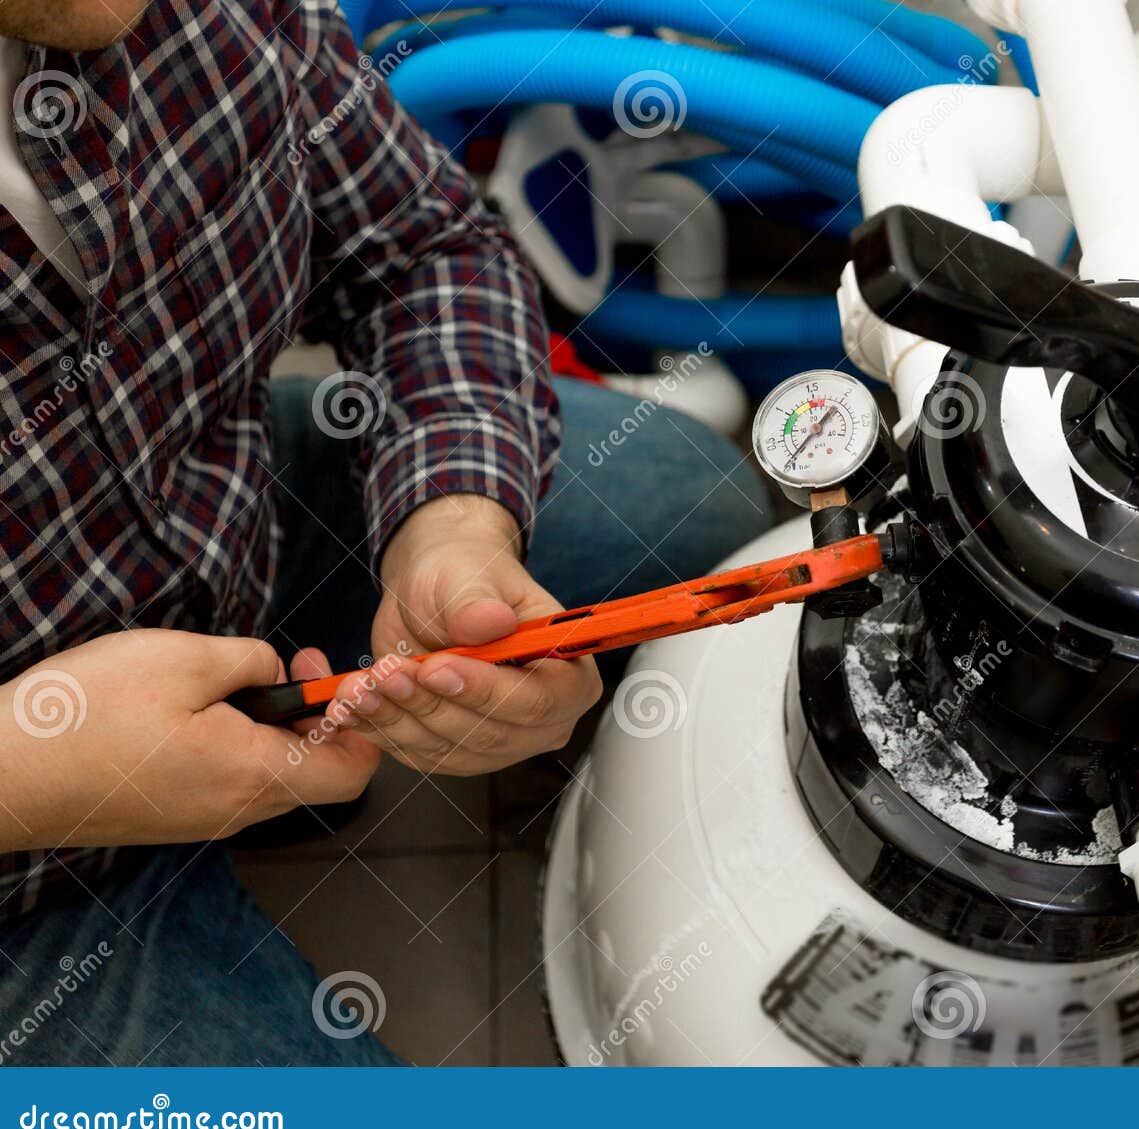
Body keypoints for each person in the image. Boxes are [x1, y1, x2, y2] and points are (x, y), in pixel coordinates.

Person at [0, 0, 770, 1064]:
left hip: (216, 524)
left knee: (685, 497)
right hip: (23, 887)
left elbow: (422, 251)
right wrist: (30, 775)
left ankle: (261, 778)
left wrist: (452, 527)